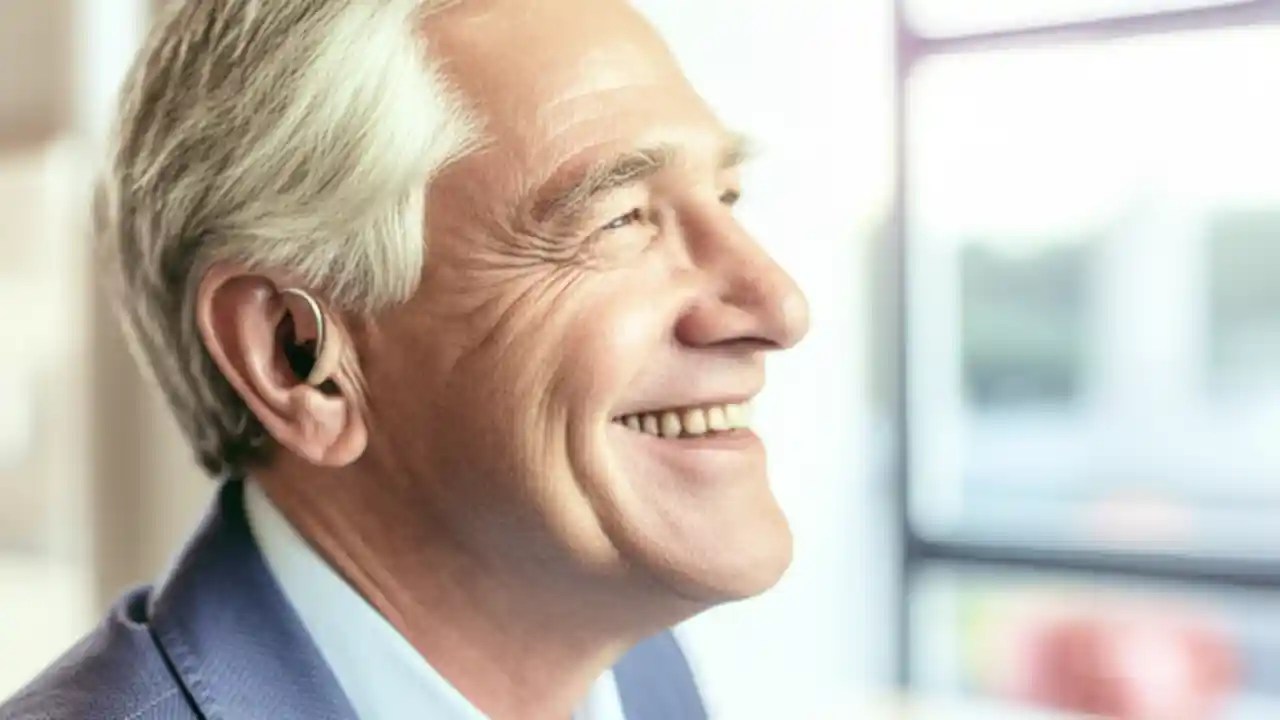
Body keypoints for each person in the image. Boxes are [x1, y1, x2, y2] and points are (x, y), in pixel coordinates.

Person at [1, 0, 809, 717]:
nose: (780, 307)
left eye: (727, 197)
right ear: (297, 359)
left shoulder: (641, 679)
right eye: (620, 218)